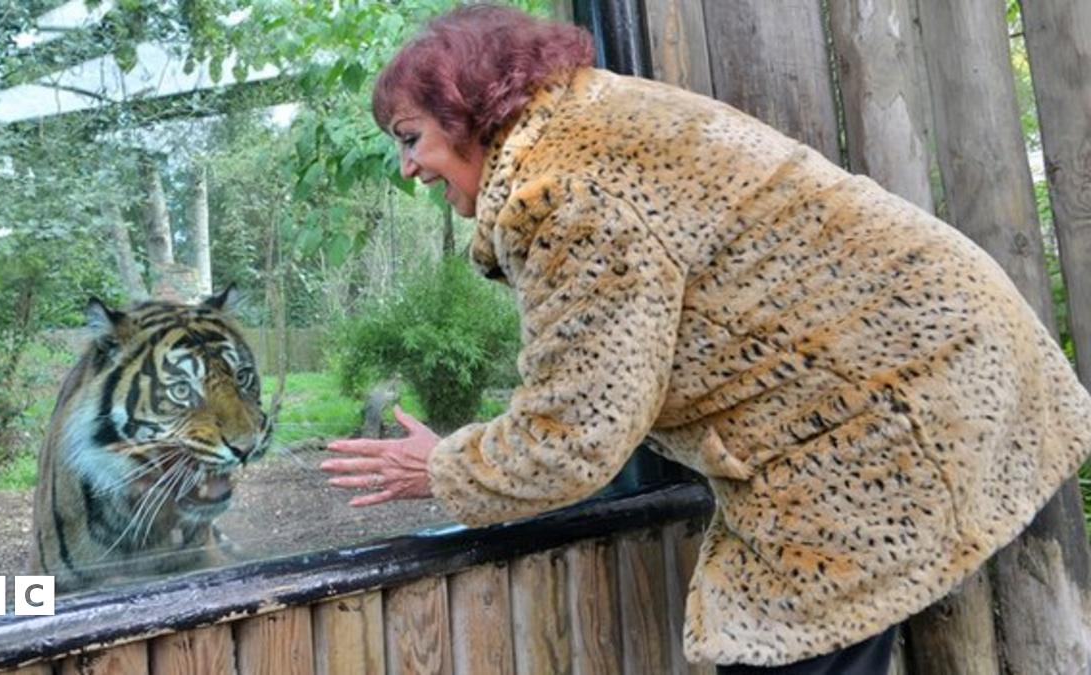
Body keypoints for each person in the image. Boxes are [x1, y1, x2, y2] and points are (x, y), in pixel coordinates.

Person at [320, 4, 1091, 673]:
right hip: (920, 368)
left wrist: (445, 469)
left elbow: (576, 435)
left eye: (411, 136)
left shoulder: (562, 194)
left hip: (890, 410)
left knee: (782, 646)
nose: (408, 167)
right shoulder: (591, 118)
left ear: (470, 110)